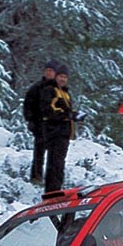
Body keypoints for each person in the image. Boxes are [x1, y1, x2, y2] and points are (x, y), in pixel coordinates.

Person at [39, 63, 75, 193]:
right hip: (54, 133)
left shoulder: (65, 93)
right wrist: (66, 115)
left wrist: (73, 115)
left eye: (65, 77)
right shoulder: (50, 90)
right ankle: (51, 192)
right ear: (56, 77)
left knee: (59, 164)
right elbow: (47, 110)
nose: (63, 79)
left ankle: (56, 190)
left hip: (63, 133)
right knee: (54, 164)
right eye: (60, 76)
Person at [23, 60, 58, 184]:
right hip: (40, 125)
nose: (49, 73)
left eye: (51, 71)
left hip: (55, 127)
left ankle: (52, 179)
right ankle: (36, 176)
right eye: (47, 70)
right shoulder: (36, 88)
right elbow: (27, 105)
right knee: (39, 154)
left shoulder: (60, 89)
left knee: (54, 156)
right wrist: (31, 121)